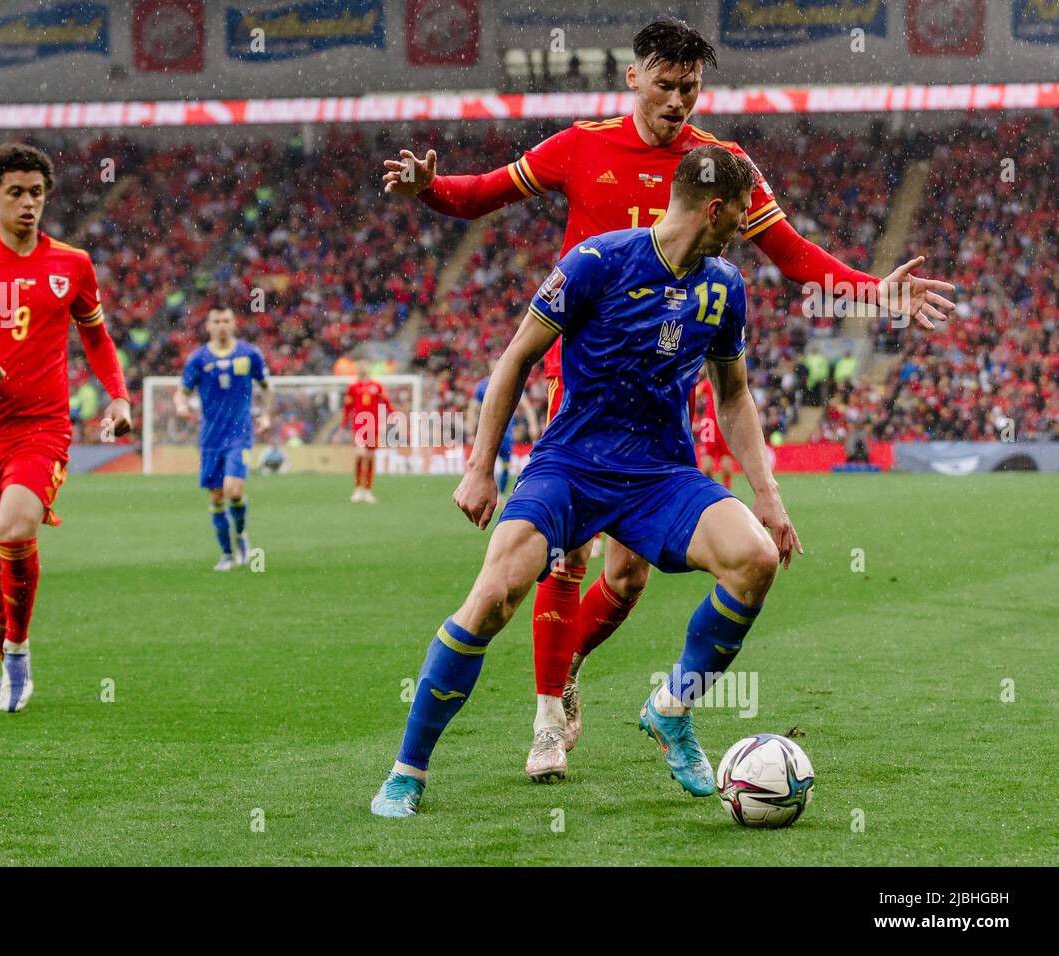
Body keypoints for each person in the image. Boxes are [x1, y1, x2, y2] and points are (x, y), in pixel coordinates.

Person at [382, 16, 955, 781]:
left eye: (691, 87)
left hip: (662, 402)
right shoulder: (581, 147)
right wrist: (431, 189)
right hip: (581, 386)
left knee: (626, 580)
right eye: (666, 84)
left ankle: (589, 675)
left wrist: (868, 291)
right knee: (562, 556)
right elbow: (480, 196)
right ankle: (548, 717)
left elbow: (791, 256)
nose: (679, 100)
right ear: (633, 77)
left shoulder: (721, 170)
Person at [371, 147, 808, 815]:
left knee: (753, 561)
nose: (750, 223)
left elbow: (734, 395)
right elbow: (517, 358)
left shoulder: (724, 285)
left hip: (660, 474)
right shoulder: (597, 263)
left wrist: (768, 495)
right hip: (571, 464)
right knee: (492, 598)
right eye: (744, 210)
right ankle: (408, 771)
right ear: (715, 209)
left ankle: (671, 711)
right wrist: (481, 467)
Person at [0, 142, 132, 713]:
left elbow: (96, 336)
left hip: (41, 427)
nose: (28, 203)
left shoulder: (73, 264)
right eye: (15, 192)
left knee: (17, 527)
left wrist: (117, 396)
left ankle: (17, 655)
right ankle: (10, 664)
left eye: (37, 193)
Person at [175, 306, 272, 570]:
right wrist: (181, 405)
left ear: (234, 323)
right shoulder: (198, 359)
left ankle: (240, 534)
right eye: (216, 320)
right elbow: (181, 391)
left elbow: (266, 388)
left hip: (239, 434)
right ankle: (227, 554)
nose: (221, 325)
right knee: (216, 497)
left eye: (226, 320)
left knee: (234, 489)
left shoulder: (249, 354)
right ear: (208, 325)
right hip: (210, 438)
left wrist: (265, 415)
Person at [467, 366, 540, 497]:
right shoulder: (483, 385)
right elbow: (473, 408)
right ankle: (483, 493)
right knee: (485, 463)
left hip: (506, 434)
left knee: (506, 464)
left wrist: (533, 424)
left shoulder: (511, 382)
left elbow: (527, 406)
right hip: (486, 434)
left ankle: (499, 494)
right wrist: (471, 430)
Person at [341, 359, 391, 503]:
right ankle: (358, 489)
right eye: (360, 365)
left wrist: (392, 414)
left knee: (369, 458)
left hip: (373, 427)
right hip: (359, 427)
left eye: (365, 364)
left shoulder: (376, 386)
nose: (363, 367)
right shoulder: (353, 387)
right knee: (360, 455)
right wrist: (344, 423)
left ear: (368, 368)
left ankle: (368, 491)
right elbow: (347, 407)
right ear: (357, 368)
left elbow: (386, 403)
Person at [693, 367, 734, 490]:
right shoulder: (708, 384)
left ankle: (727, 493)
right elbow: (694, 395)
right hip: (710, 426)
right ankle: (715, 490)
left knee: (726, 469)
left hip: (724, 425)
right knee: (705, 469)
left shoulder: (728, 384)